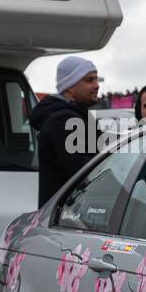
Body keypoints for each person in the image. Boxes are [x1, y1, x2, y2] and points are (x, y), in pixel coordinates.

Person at [31, 55, 100, 205]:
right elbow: (87, 172)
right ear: (70, 86)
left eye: (96, 79)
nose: (96, 85)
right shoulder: (62, 121)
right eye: (89, 80)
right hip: (65, 217)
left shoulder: (76, 116)